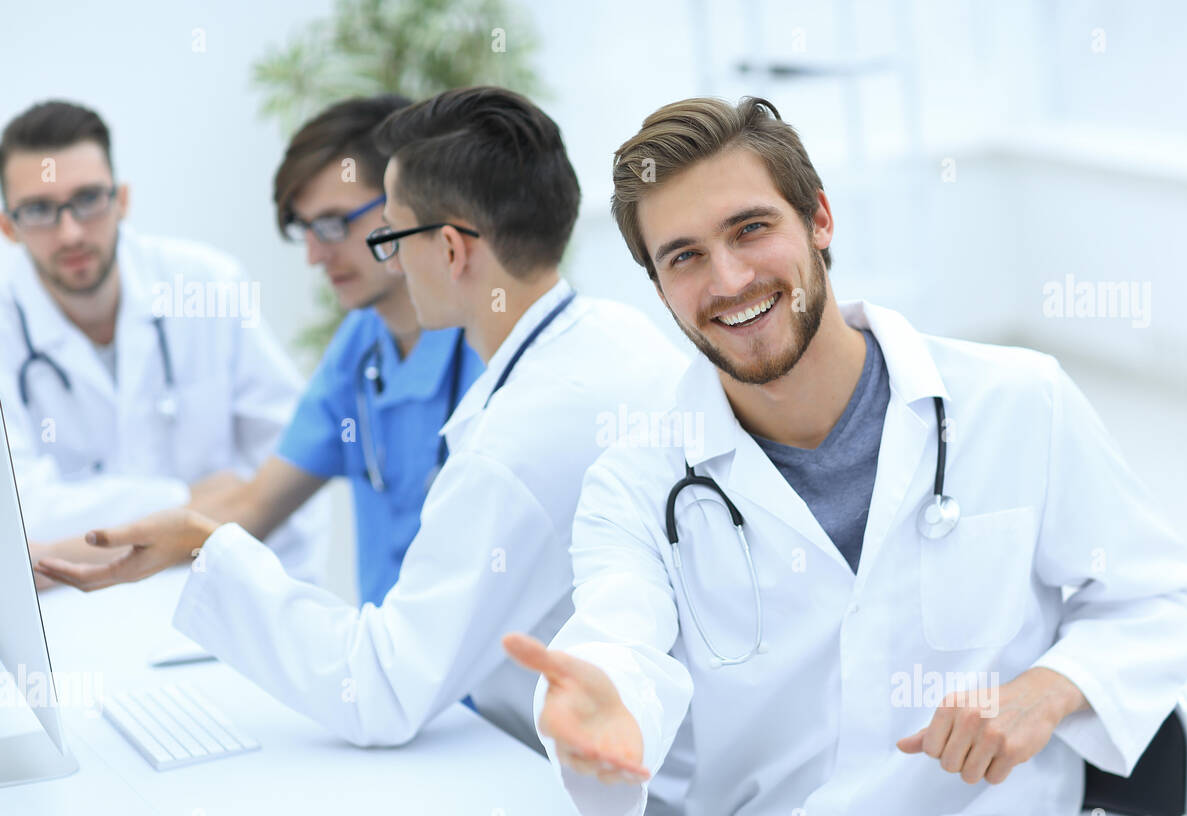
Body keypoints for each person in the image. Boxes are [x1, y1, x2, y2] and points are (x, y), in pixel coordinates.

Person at [502, 96, 1187, 816]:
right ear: (659, 284)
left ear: (819, 219)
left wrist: (1050, 686)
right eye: (685, 256)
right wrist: (601, 707)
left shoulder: (1019, 403)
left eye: (751, 228)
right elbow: (617, 642)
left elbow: (1161, 595)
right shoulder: (635, 483)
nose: (731, 278)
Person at [37, 88, 687, 754]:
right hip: (502, 720)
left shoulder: (513, 443)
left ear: (452, 250)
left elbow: (382, 693)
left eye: (391, 235)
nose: (390, 259)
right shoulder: (616, 337)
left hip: (535, 746)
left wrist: (202, 546)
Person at [162, 94, 483, 607]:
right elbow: (255, 504)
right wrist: (94, 551)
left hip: (490, 676)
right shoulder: (360, 345)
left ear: (405, 205)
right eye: (305, 230)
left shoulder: (486, 345)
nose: (315, 254)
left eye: (334, 224)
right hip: (384, 661)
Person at [0, 100, 326, 584]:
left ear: (122, 201)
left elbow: (289, 469)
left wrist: (56, 551)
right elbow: (18, 517)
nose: (70, 232)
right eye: (40, 210)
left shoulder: (207, 286)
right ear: (9, 226)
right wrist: (188, 504)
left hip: (221, 595)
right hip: (70, 617)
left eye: (87, 199)